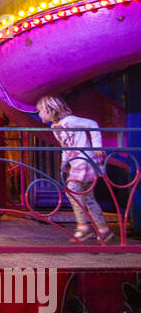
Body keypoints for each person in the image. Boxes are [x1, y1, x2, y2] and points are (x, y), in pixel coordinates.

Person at [37, 95, 114, 243]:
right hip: (76, 162)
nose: (39, 114)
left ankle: (83, 226)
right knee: (88, 198)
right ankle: (103, 229)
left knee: (72, 190)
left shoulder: (70, 121)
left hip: (85, 159)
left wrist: (97, 145)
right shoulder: (55, 127)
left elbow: (92, 124)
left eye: (41, 110)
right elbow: (66, 146)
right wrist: (64, 162)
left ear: (50, 110)